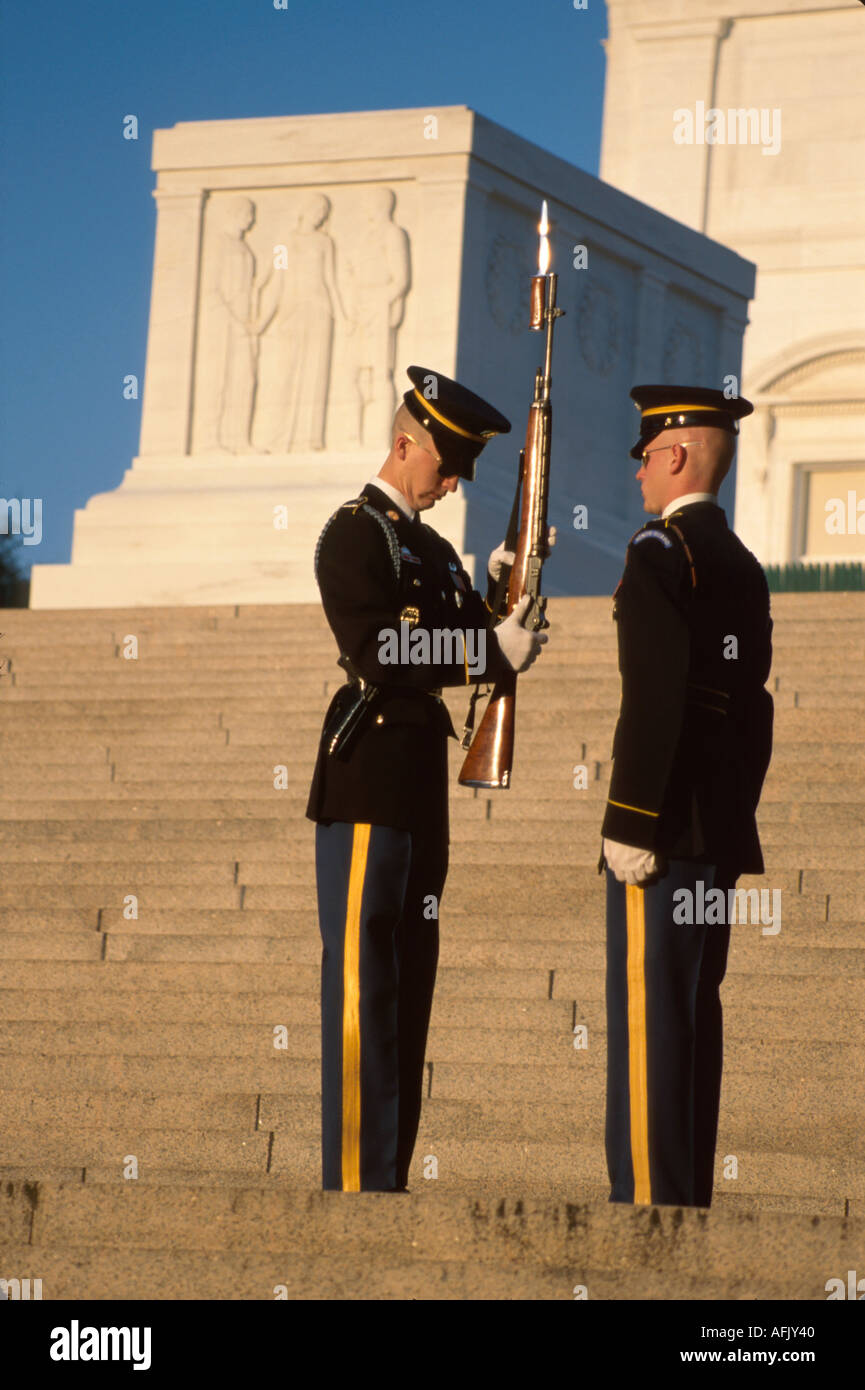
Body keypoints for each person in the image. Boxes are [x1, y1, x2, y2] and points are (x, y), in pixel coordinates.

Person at [307, 365, 550, 1192]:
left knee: (407, 993)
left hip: (417, 791)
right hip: (368, 781)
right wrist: (488, 650)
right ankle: (353, 1179)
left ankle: (386, 1176)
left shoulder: (435, 549)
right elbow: (380, 651)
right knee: (361, 985)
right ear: (405, 444)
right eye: (447, 466)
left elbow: (469, 629)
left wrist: (500, 586)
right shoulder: (354, 534)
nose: (454, 483)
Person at [601, 384, 774, 1209]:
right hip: (713, 832)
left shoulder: (657, 551)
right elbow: (753, 709)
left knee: (648, 1016)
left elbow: (656, 693)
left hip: (663, 833)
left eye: (643, 458)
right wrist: (731, 821)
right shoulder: (738, 562)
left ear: (672, 455)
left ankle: (646, 1206)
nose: (637, 475)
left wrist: (631, 819)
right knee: (690, 1015)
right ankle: (684, 1197)